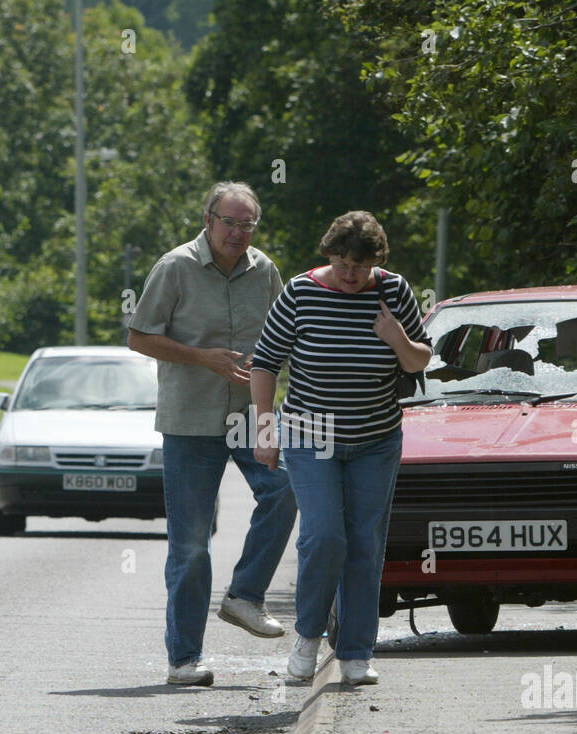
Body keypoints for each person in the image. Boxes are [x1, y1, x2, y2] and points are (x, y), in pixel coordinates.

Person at [126, 182, 298, 687]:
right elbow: (138, 336)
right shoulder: (174, 266)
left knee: (285, 489)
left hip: (250, 411)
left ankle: (244, 595)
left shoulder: (264, 269)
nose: (238, 233)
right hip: (190, 420)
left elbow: (283, 336)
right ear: (208, 220)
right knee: (192, 546)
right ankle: (184, 659)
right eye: (230, 222)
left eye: (248, 225)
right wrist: (203, 357)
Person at [250, 211, 431, 685]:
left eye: (361, 266)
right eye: (343, 263)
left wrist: (398, 339)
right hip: (313, 434)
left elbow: (420, 361)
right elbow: (265, 363)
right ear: (329, 254)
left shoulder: (394, 291)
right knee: (325, 535)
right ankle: (308, 637)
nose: (351, 275)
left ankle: (356, 652)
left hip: (376, 438)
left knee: (364, 545)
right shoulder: (301, 292)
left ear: (377, 261)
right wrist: (265, 429)